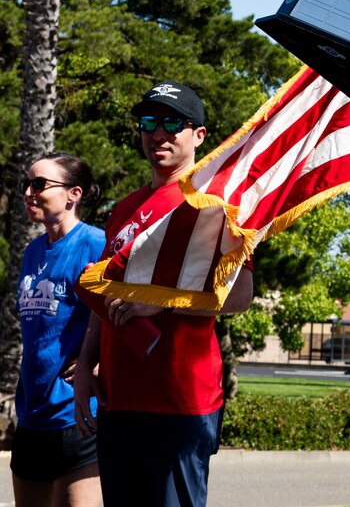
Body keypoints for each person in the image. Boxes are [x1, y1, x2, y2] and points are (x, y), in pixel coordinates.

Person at [72, 81, 253, 507]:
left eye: (173, 123)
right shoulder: (125, 208)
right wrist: (85, 367)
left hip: (181, 404)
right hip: (119, 403)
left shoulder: (213, 204)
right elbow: (105, 293)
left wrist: (160, 299)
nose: (158, 134)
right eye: (149, 122)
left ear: (199, 135)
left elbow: (241, 295)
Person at [13, 153, 106, 507]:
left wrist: (96, 359)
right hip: (31, 415)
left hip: (76, 415)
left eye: (39, 185)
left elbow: (122, 312)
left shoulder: (97, 244)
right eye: (26, 185)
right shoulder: (32, 251)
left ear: (74, 194)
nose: (28, 193)